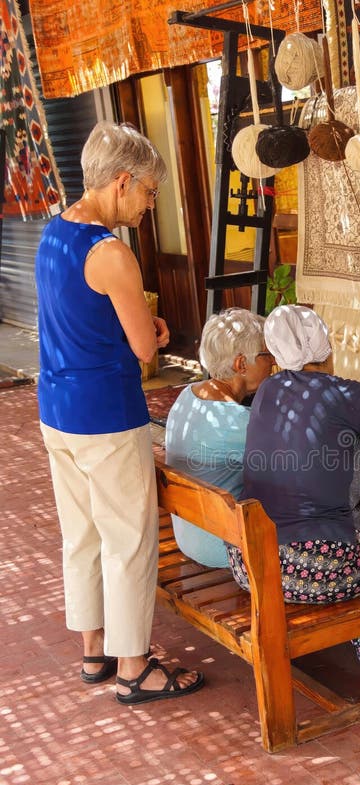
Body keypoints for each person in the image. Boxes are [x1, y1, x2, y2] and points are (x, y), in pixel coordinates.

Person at [35, 121, 204, 705]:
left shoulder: (55, 232)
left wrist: (138, 331)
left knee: (81, 535)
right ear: (123, 182)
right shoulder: (111, 253)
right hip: (105, 415)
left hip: (55, 410)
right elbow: (141, 348)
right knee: (129, 539)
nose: (150, 205)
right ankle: (134, 667)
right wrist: (153, 333)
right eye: (150, 193)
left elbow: (79, 318)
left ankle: (93, 651)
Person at [228, 304, 360, 678]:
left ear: (278, 354)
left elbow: (327, 440)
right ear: (327, 347)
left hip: (253, 564)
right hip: (320, 573)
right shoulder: (346, 394)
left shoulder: (269, 390)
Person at [165, 308, 273, 567]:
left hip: (191, 535)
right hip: (221, 546)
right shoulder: (236, 424)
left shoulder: (186, 396)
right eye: (266, 354)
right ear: (241, 364)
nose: (272, 361)